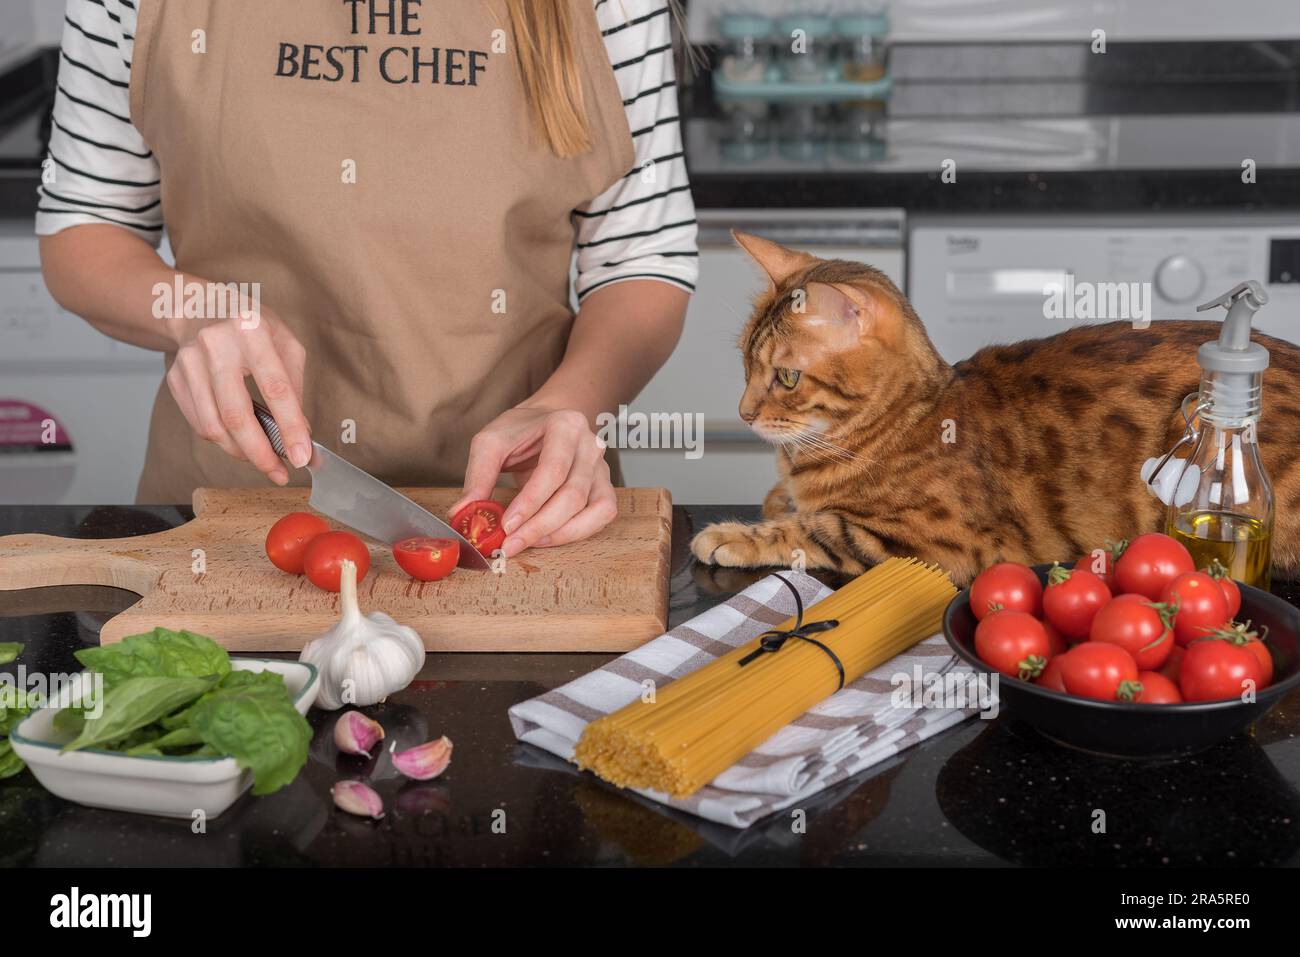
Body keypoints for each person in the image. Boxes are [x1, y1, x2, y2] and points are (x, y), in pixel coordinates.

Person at [37, 0, 697, 558]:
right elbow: (85, 225)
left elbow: (642, 254)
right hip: (228, 527)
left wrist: (567, 405)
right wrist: (189, 310)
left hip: (520, 526)